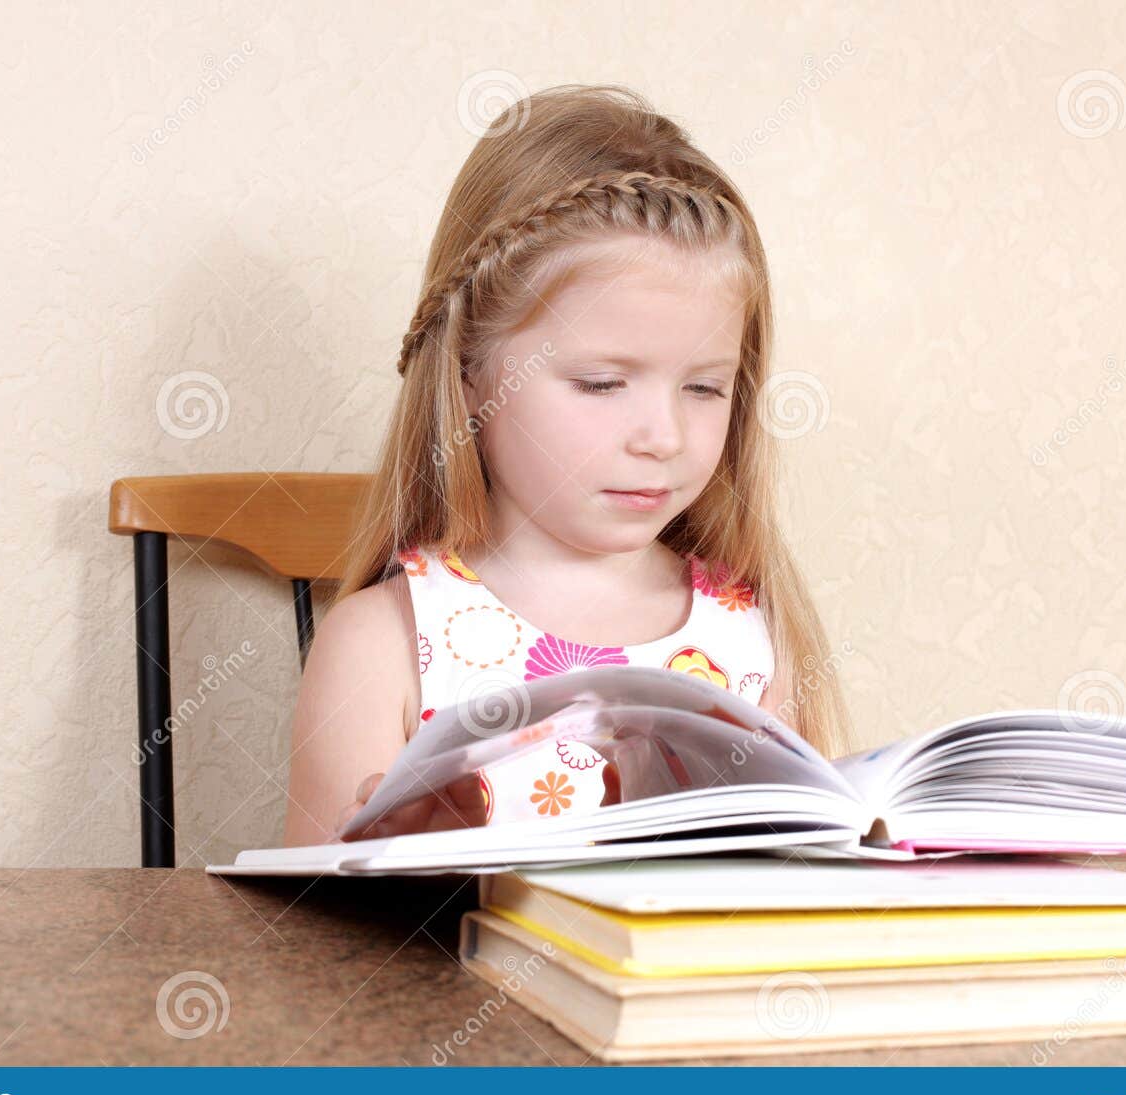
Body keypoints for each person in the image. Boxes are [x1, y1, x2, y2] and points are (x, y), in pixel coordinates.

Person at [281, 83, 852, 847]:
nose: (664, 435)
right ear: (472, 375)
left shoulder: (751, 639)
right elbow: (306, 947)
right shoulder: (382, 644)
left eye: (705, 387)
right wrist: (425, 879)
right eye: (602, 384)